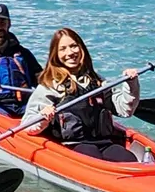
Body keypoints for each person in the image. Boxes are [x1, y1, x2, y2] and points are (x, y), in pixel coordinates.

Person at [21, 27, 140, 159]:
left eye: (73, 46)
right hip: (73, 144)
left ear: (81, 48)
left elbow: (125, 111)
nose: (70, 52)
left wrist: (131, 84)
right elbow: (27, 124)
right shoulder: (49, 86)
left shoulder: (98, 82)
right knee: (91, 155)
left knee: (128, 158)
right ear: (55, 55)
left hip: (104, 142)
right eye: (63, 49)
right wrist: (43, 117)